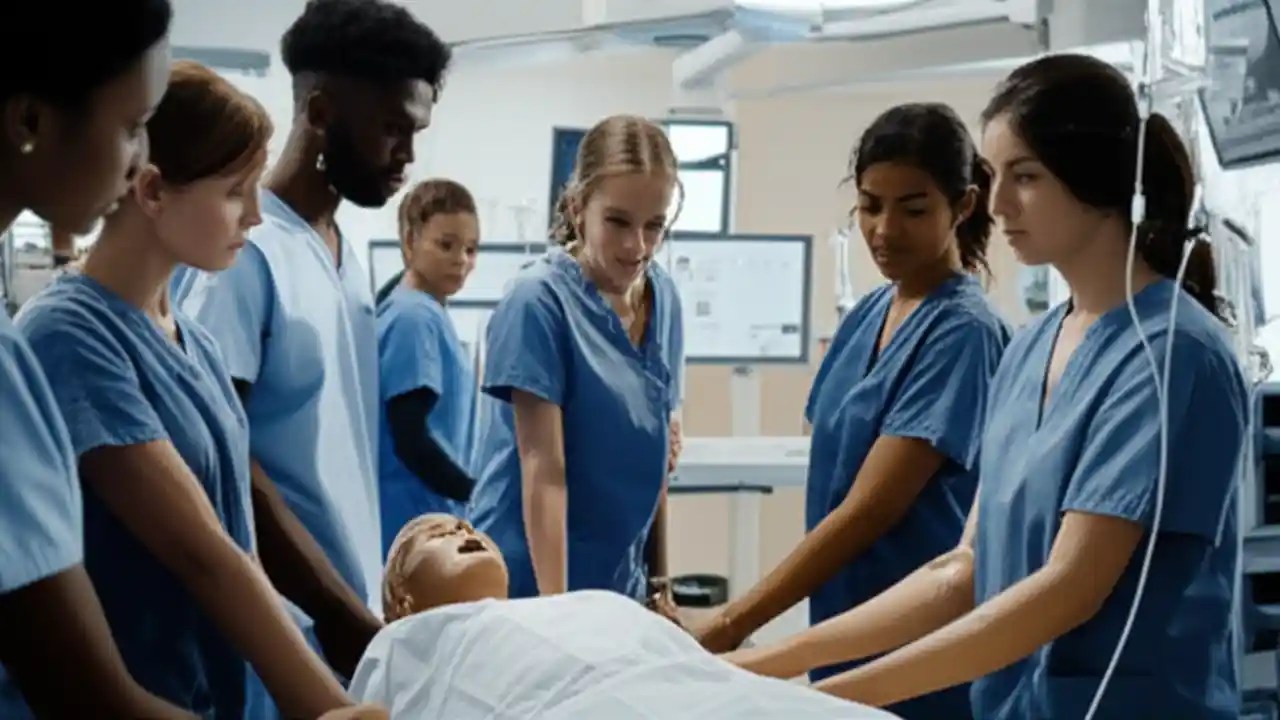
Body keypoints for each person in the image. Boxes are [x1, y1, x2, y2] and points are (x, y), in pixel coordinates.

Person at [725, 53, 1248, 720]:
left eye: (1025, 177)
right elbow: (962, 570)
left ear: (1097, 176)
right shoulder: (1031, 347)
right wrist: (749, 669)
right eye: (996, 176)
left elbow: (1067, 589)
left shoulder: (1172, 356)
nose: (997, 206)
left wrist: (816, 701)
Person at [16, 60, 377, 719]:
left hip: (211, 691)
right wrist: (331, 708)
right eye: (237, 191)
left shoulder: (189, 336)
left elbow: (241, 529)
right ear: (152, 190)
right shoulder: (67, 337)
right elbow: (201, 551)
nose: (257, 215)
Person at [695, 103, 1008, 719]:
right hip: (841, 630)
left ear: (964, 206)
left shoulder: (963, 333)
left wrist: (734, 622)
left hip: (915, 651)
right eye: (869, 206)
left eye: (913, 209)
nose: (885, 230)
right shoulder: (870, 312)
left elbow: (868, 510)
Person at [171, 0, 452, 630]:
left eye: (416, 134)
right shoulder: (245, 254)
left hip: (346, 610)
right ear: (321, 113)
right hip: (282, 625)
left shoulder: (340, 256)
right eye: (391, 128)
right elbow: (218, 457)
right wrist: (334, 614)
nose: (407, 156)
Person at [0, 2, 195, 717]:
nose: (143, 158)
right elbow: (91, 698)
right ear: (29, 122)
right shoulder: (51, 340)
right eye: (132, 127)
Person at [350, 514, 898, 720]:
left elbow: (699, 674)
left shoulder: (591, 605)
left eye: (468, 528)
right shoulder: (403, 648)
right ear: (400, 601)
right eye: (435, 535)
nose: (464, 533)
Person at [467, 114, 685, 606]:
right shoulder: (537, 302)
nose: (638, 247)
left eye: (655, 226)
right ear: (577, 206)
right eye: (618, 222)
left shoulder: (663, 299)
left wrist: (659, 587)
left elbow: (656, 467)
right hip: (527, 583)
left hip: (614, 587)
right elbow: (543, 469)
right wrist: (558, 617)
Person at [377, 179, 481, 554]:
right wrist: (475, 491)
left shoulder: (422, 310)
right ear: (409, 240)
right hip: (416, 520)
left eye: (471, 249)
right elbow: (410, 437)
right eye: (446, 245)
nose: (461, 260)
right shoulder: (413, 317)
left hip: (430, 518)